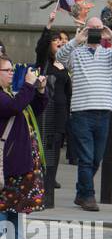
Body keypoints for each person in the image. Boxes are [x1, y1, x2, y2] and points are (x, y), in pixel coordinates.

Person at [57, 15, 112, 211]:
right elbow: (59, 57)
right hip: (82, 113)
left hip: (103, 113)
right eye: (93, 28)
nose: (96, 32)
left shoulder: (109, 54)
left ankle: (81, 193)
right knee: (87, 157)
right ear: (85, 30)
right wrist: (76, 40)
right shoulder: (76, 53)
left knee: (96, 158)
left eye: (99, 28)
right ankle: (88, 196)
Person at [0, 57, 47, 239]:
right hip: (6, 159)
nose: (11, 72)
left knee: (16, 204)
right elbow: (13, 108)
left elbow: (32, 110)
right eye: (7, 70)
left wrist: (40, 91)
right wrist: (28, 84)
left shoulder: (10, 94)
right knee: (2, 204)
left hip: (19, 158)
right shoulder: (2, 97)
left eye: (12, 69)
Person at [36, 17, 72, 201]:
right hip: (45, 112)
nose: (58, 42)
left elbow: (68, 91)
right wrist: (48, 25)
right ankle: (40, 182)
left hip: (60, 113)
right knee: (44, 147)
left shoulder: (63, 65)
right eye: (55, 39)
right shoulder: (44, 63)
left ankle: (50, 183)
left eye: (60, 39)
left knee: (56, 148)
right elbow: (41, 47)